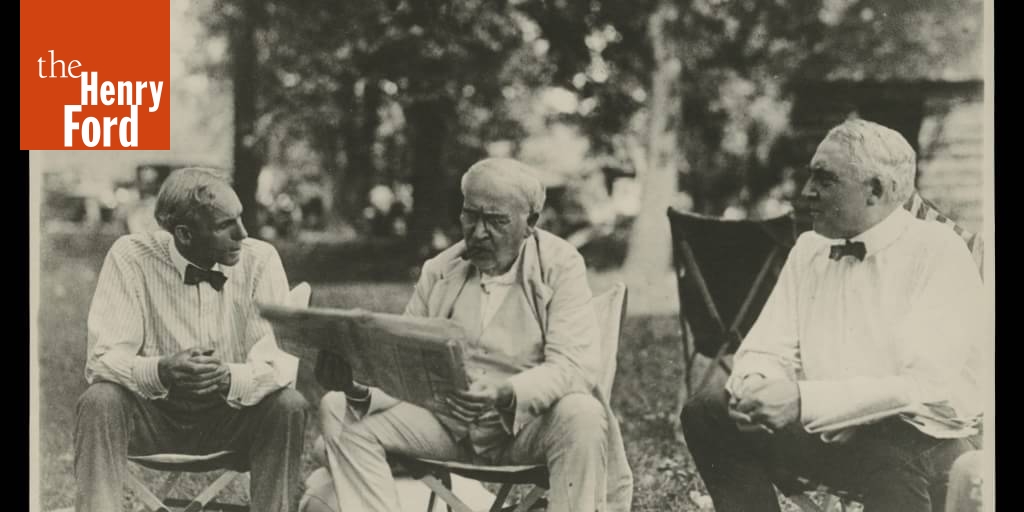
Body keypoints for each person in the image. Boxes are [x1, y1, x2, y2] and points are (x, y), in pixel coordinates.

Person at [680, 119, 987, 512]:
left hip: (923, 443)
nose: (807, 192)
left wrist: (805, 400)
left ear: (876, 189)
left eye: (825, 180)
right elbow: (765, 346)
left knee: (892, 447)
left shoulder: (937, 250)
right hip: (828, 433)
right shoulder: (809, 248)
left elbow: (920, 388)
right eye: (810, 177)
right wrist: (756, 388)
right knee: (707, 412)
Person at [304, 158, 633, 512]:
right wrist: (352, 386)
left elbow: (574, 367)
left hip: (524, 430)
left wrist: (506, 393)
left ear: (531, 224)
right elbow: (404, 368)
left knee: (581, 413)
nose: (477, 232)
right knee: (336, 407)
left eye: (495, 221)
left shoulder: (561, 265)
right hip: (447, 428)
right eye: (470, 215)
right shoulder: (441, 269)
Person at [74, 167, 309, 512]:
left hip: (232, 418)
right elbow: (102, 359)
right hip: (154, 419)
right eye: (224, 225)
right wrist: (161, 371)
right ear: (184, 234)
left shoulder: (261, 260)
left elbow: (280, 364)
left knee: (289, 406)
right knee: (98, 401)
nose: (242, 233)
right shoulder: (130, 256)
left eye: (240, 219)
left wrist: (229, 376)